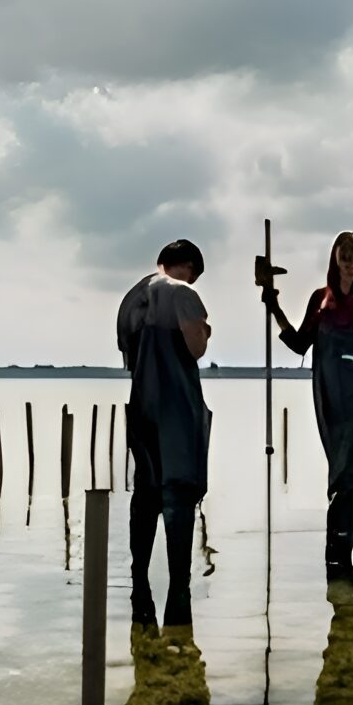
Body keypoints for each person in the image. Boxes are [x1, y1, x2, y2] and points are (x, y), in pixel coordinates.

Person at [266, 230, 353, 563]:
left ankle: (339, 552)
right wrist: (274, 307)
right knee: (349, 478)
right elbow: (300, 343)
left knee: (352, 476)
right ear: (335, 257)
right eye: (343, 255)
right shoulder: (321, 299)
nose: (348, 262)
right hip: (329, 402)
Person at [117, 239, 212, 626]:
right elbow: (196, 347)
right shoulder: (182, 293)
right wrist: (205, 331)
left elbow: (129, 359)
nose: (193, 281)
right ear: (186, 266)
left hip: (142, 409)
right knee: (178, 499)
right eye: (194, 275)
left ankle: (139, 588)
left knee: (144, 497)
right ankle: (179, 594)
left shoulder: (130, 300)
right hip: (177, 411)